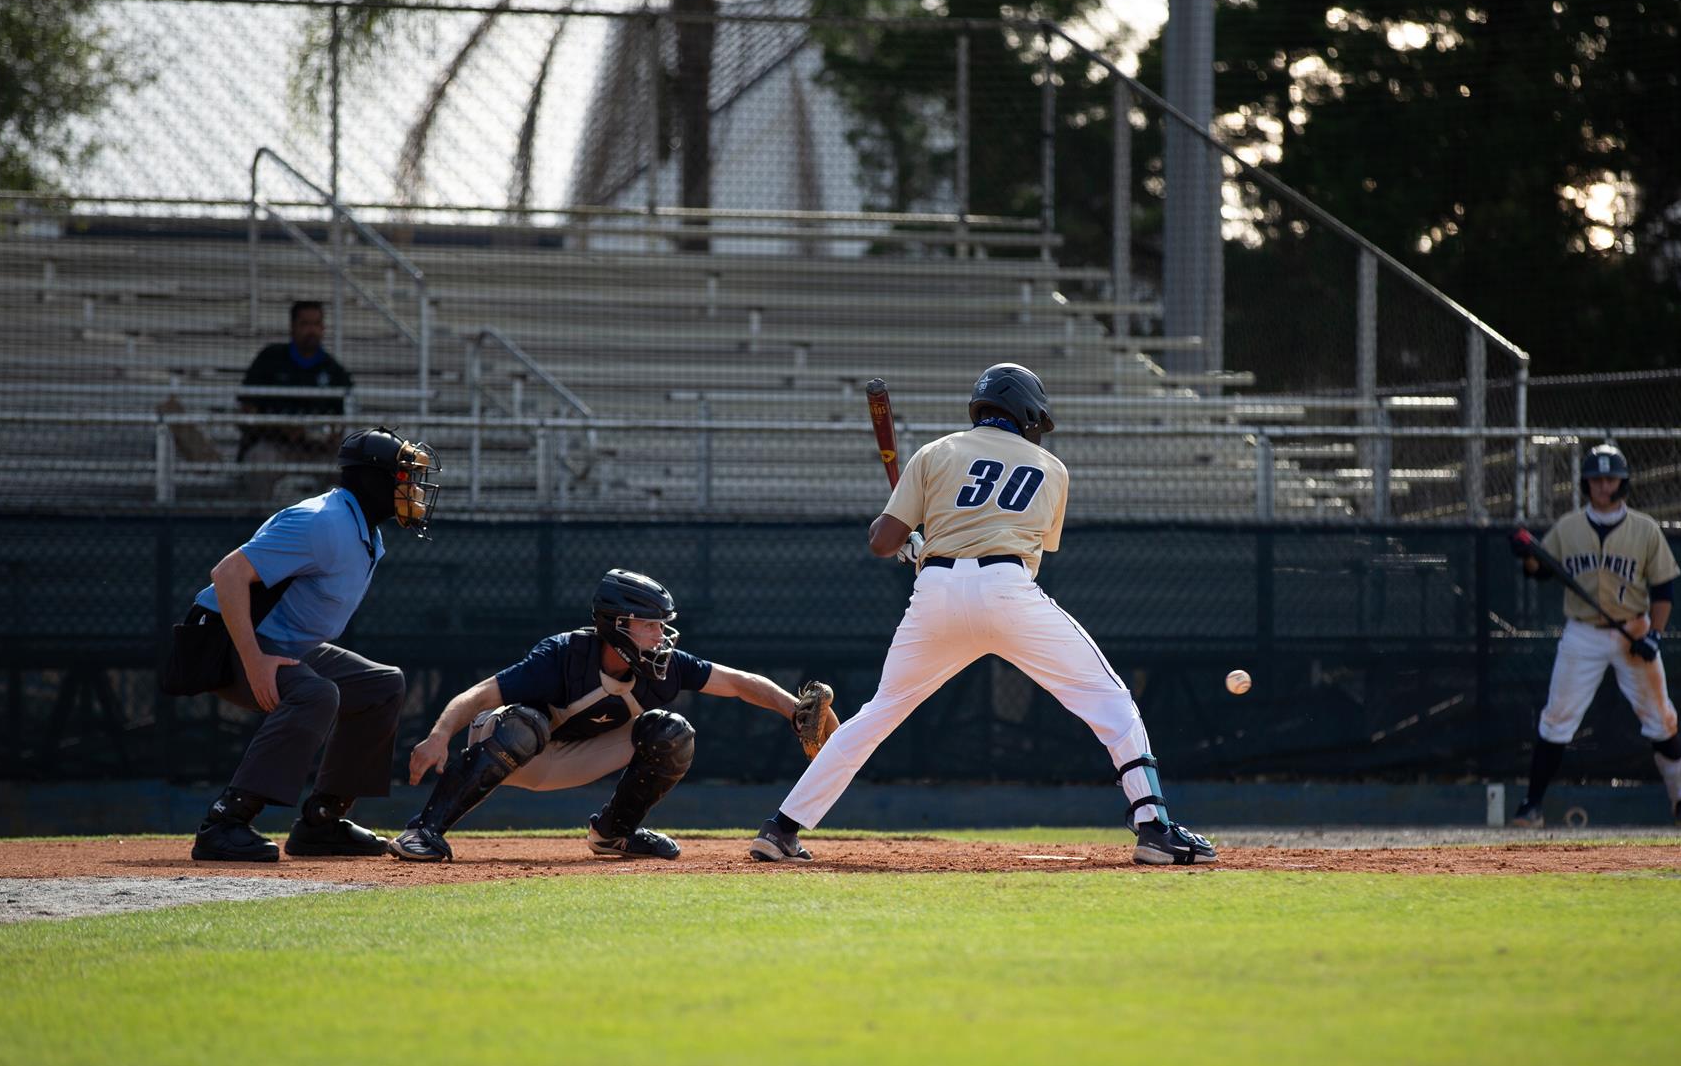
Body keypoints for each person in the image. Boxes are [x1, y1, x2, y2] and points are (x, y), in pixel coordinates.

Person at [748, 363, 1216, 867]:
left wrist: (914, 543)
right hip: (1007, 589)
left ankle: (780, 828)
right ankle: (1154, 828)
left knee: (877, 715)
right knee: (1111, 700)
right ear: (1027, 412)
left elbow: (881, 541)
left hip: (934, 595)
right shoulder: (1052, 469)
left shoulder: (935, 451)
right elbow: (1030, 542)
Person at [388, 569, 815, 863]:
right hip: (517, 747)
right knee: (526, 725)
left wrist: (792, 710)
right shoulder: (562, 654)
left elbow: (739, 682)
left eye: (662, 626)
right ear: (617, 625)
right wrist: (439, 735)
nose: (660, 636)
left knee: (672, 733)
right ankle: (422, 831)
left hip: (575, 757)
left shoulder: (666, 664)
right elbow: (480, 694)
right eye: (650, 626)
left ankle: (613, 834)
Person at [177, 427, 439, 862]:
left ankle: (322, 822)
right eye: (402, 477)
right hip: (221, 640)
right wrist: (255, 660)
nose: (411, 488)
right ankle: (226, 821)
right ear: (373, 480)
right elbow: (227, 575)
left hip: (281, 642)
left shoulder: (363, 529)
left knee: (381, 685)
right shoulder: (323, 520)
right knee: (316, 693)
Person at [1509, 443, 1681, 827]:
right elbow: (1539, 570)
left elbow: (1664, 589)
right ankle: (1531, 805)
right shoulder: (1569, 527)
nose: (1603, 486)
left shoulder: (1644, 528)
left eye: (1610, 478)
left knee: (1661, 718)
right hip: (1583, 632)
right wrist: (1526, 551)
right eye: (1596, 479)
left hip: (1633, 628)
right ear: (1586, 483)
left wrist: (1656, 635)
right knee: (1557, 717)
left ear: (1623, 482)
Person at [239, 301, 353, 489]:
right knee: (259, 461)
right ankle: (256, 517)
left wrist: (325, 436)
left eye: (316, 324)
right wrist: (281, 429)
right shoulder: (270, 359)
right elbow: (246, 410)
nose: (311, 330)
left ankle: (334, 517)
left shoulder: (334, 371)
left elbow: (342, 421)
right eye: (305, 324)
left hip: (318, 451)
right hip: (274, 446)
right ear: (292, 326)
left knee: (347, 468)